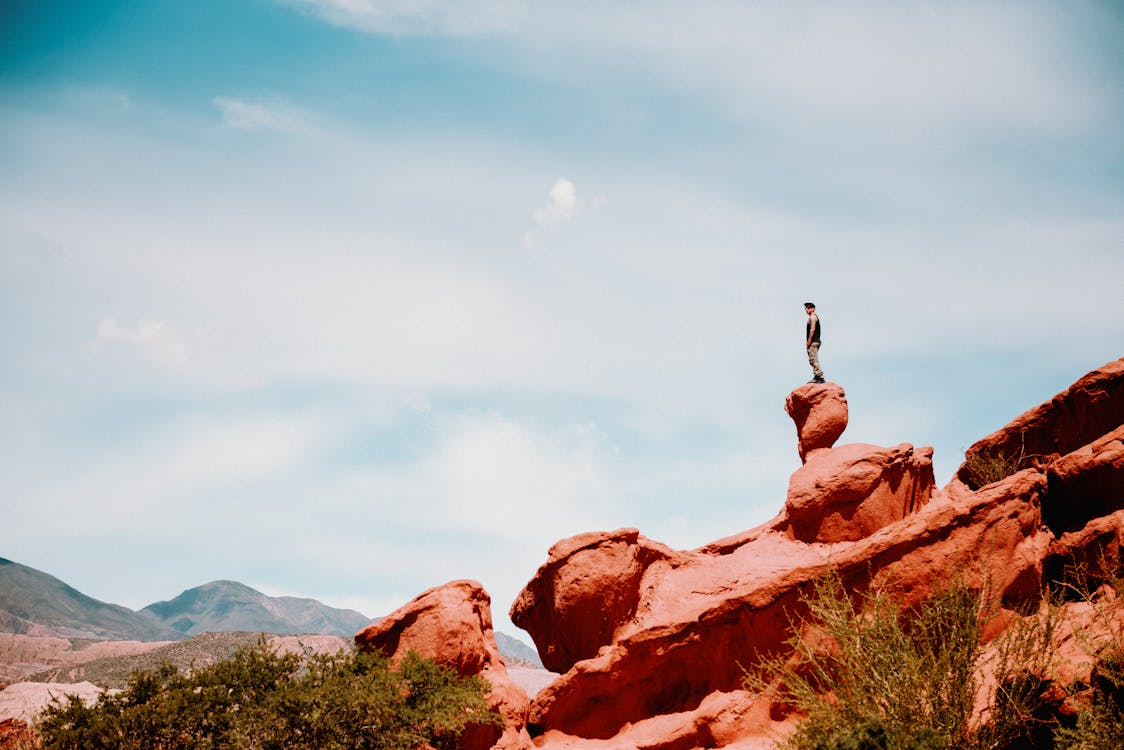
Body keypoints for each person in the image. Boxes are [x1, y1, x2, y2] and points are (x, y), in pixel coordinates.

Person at [804, 302, 824, 383]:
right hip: (815, 341)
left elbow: (812, 329)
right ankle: (818, 377)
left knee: (813, 359)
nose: (806, 309)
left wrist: (809, 341)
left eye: (808, 308)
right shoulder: (812, 317)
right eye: (806, 308)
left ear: (813, 308)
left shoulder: (813, 317)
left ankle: (820, 377)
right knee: (812, 360)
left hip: (813, 341)